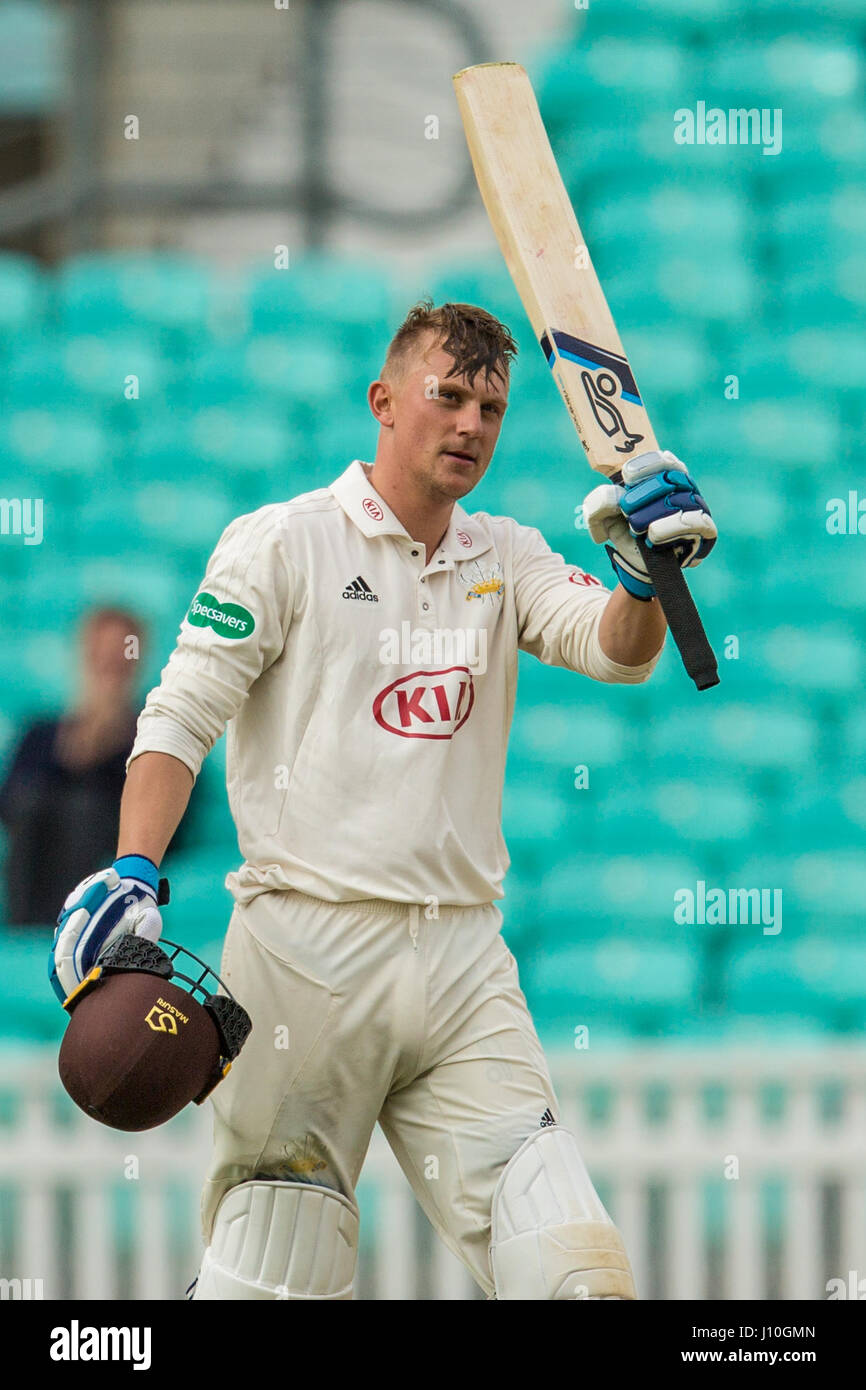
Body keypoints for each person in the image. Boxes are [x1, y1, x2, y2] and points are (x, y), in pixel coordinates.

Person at [50, 300, 716, 1299]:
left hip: (460, 960)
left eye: (489, 408)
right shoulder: (280, 544)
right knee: (274, 1275)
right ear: (383, 400)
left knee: (575, 1272)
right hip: (300, 957)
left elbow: (613, 653)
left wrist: (638, 577)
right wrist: (136, 866)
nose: (468, 425)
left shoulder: (504, 553)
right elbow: (178, 715)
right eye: (445, 396)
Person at [0, 608, 144, 926]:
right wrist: (74, 751)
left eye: (116, 662)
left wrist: (109, 742)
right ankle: (26, 934)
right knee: (35, 806)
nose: (107, 670)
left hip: (104, 849)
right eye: (99, 658)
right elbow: (11, 803)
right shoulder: (40, 732)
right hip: (35, 857)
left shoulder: (152, 738)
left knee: (84, 810)